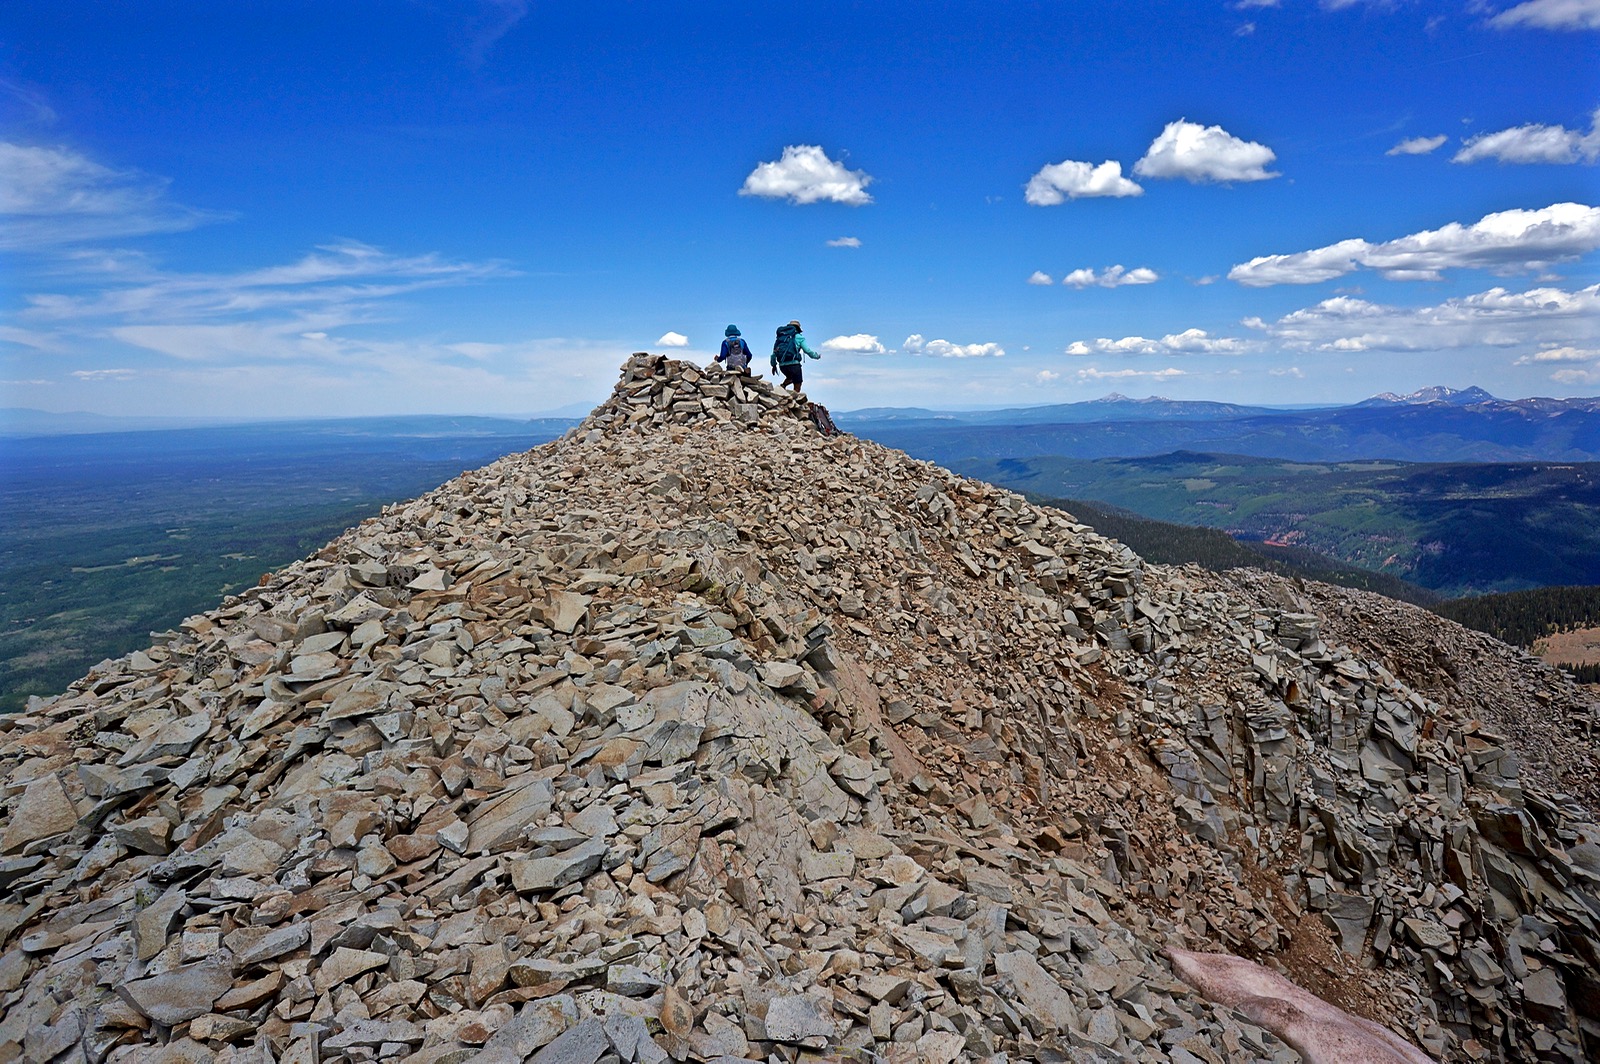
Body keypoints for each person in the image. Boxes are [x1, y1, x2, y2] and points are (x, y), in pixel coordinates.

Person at [771, 320, 821, 392]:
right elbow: (807, 350)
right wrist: (816, 356)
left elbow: (773, 354)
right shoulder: (799, 337)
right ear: (798, 329)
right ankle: (795, 400)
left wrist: (773, 365)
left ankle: (783, 386)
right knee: (797, 383)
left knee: (790, 377)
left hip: (782, 366)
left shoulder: (781, 338)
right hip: (794, 364)